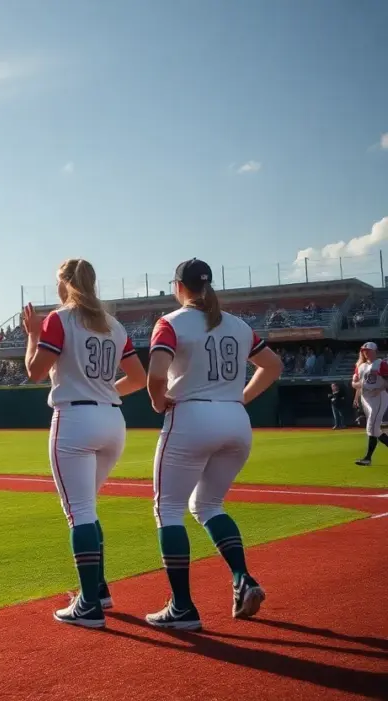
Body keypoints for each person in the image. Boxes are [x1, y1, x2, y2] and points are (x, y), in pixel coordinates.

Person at [146, 258, 283, 630]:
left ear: (178, 286)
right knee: (208, 504)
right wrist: (239, 398)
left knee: (169, 510)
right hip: (235, 420)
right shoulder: (238, 324)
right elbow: (273, 366)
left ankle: (182, 607)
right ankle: (243, 578)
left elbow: (156, 374)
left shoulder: (170, 322)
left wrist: (158, 403)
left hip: (191, 415)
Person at [21, 259, 147, 629]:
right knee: (87, 508)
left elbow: (35, 372)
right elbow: (137, 379)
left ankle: (89, 604)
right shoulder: (114, 324)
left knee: (79, 511)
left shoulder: (59, 320)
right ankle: (100, 590)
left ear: (64, 283)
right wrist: (104, 392)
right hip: (112, 420)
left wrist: (32, 332)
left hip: (75, 419)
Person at [350, 341, 388, 466]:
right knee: (375, 430)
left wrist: (381, 388)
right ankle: (367, 459)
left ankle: (367, 458)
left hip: (379, 397)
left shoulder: (381, 364)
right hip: (366, 398)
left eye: (368, 350)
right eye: (364, 351)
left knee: (371, 427)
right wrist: (356, 396)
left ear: (374, 351)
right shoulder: (360, 366)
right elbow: (354, 384)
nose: (365, 352)